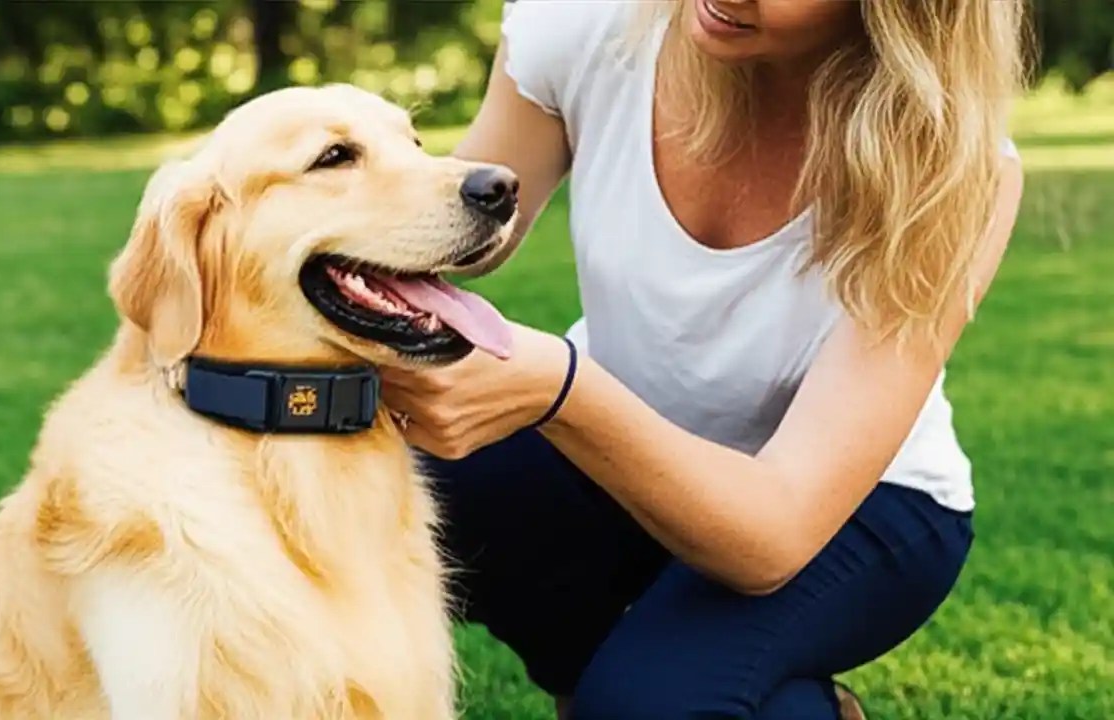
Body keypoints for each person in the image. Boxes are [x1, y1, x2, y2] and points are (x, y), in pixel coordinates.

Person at [379, 0, 1028, 718]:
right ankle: (621, 669)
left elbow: (771, 538)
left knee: (646, 703)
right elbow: (461, 231)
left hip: (844, 508)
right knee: (394, 460)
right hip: (616, 462)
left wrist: (563, 391)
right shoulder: (589, 22)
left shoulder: (953, 169)